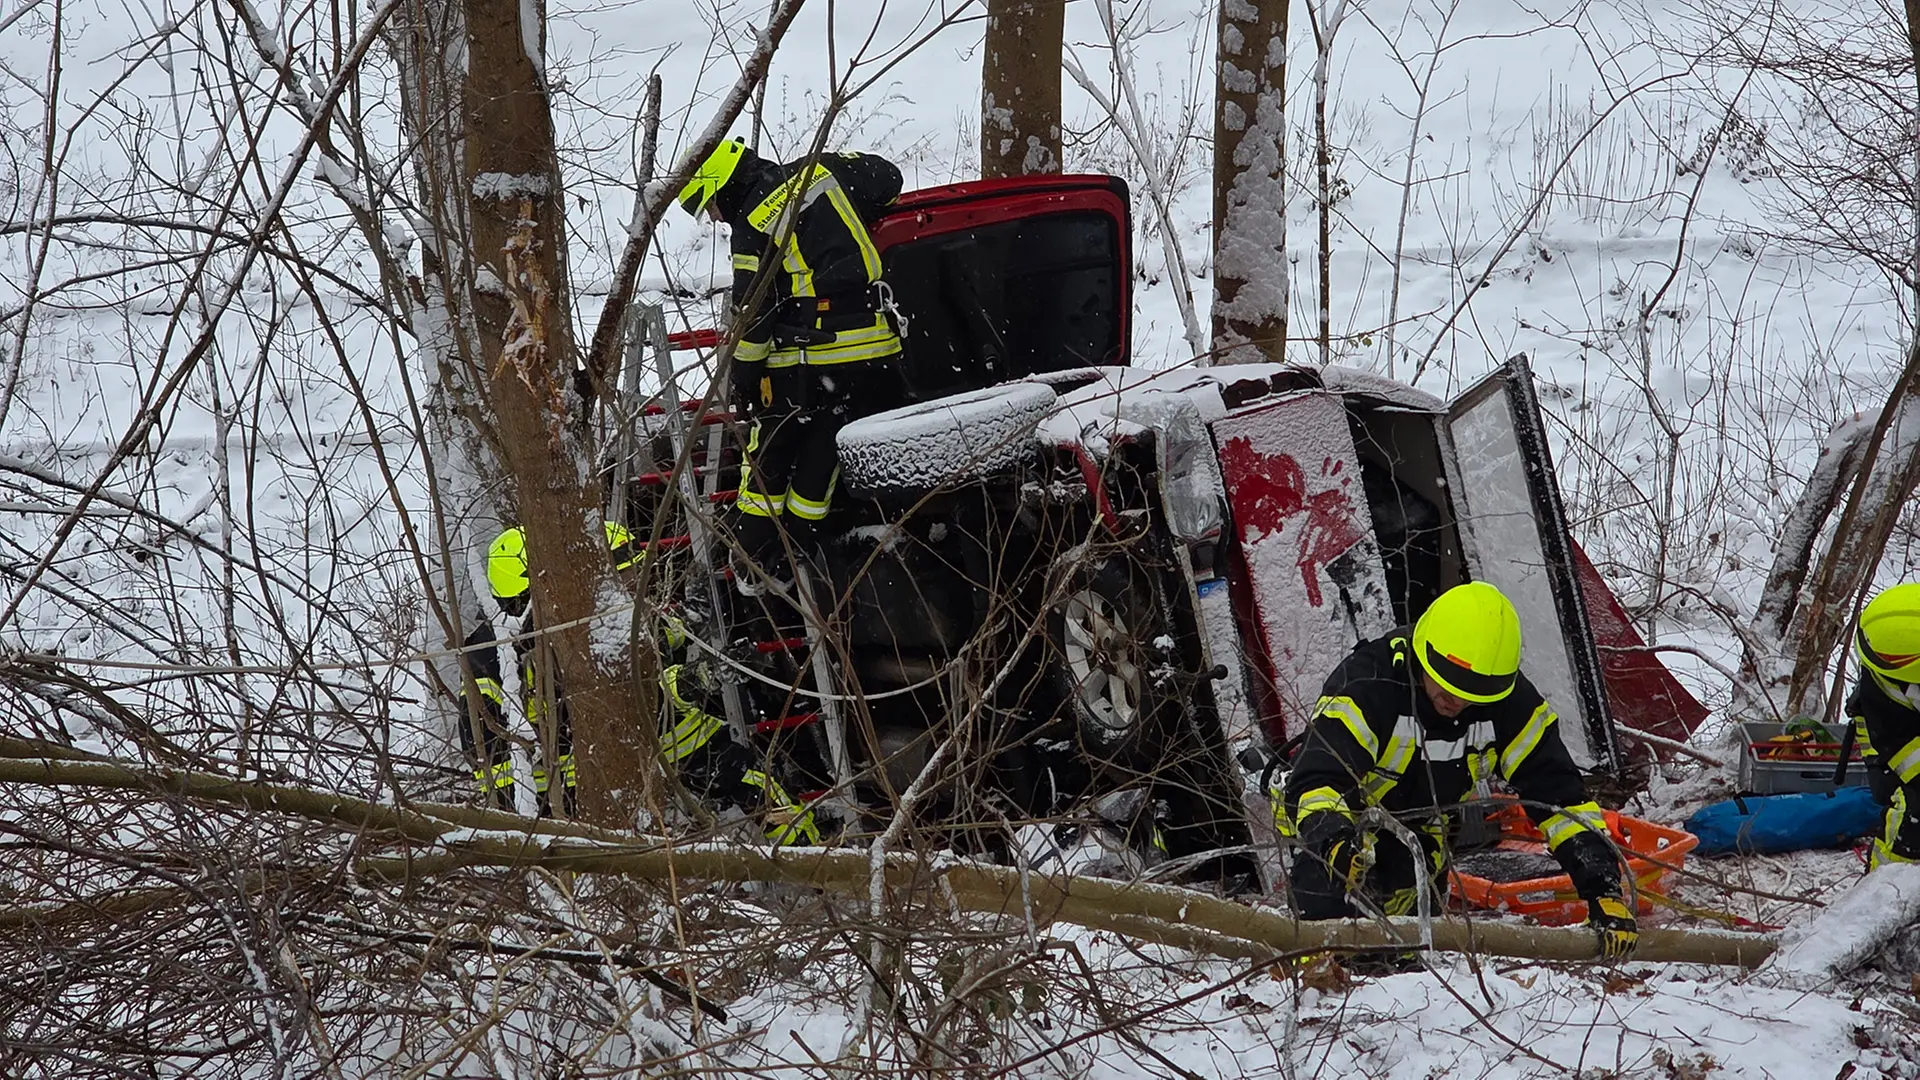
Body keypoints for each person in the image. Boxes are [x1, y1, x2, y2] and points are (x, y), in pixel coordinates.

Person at [1276, 581, 1638, 961]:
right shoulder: (1368, 686)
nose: (1457, 701)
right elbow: (1319, 781)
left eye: (1473, 694)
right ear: (1423, 654)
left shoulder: (1509, 705)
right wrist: (1332, 839)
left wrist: (1603, 889)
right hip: (1331, 820)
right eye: (1449, 685)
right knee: (1328, 932)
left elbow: (1562, 800)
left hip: (1420, 829)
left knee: (1410, 950)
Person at [677, 137, 906, 589]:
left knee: (774, 452)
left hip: (820, 356)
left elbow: (754, 310)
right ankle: (801, 545)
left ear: (723, 185)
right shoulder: (820, 172)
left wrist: (745, 378)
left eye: (711, 206)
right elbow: (889, 179)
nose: (715, 218)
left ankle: (759, 561)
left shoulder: (750, 222)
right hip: (881, 348)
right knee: (826, 451)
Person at [459, 522, 639, 816]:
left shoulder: (568, 632)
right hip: (544, 803)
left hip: (599, 784)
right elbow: (486, 753)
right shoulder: (492, 658)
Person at [1848, 583, 1920, 869]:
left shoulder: (1894, 637)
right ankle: (1886, 885)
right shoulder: (1890, 689)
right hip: (1894, 736)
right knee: (1913, 807)